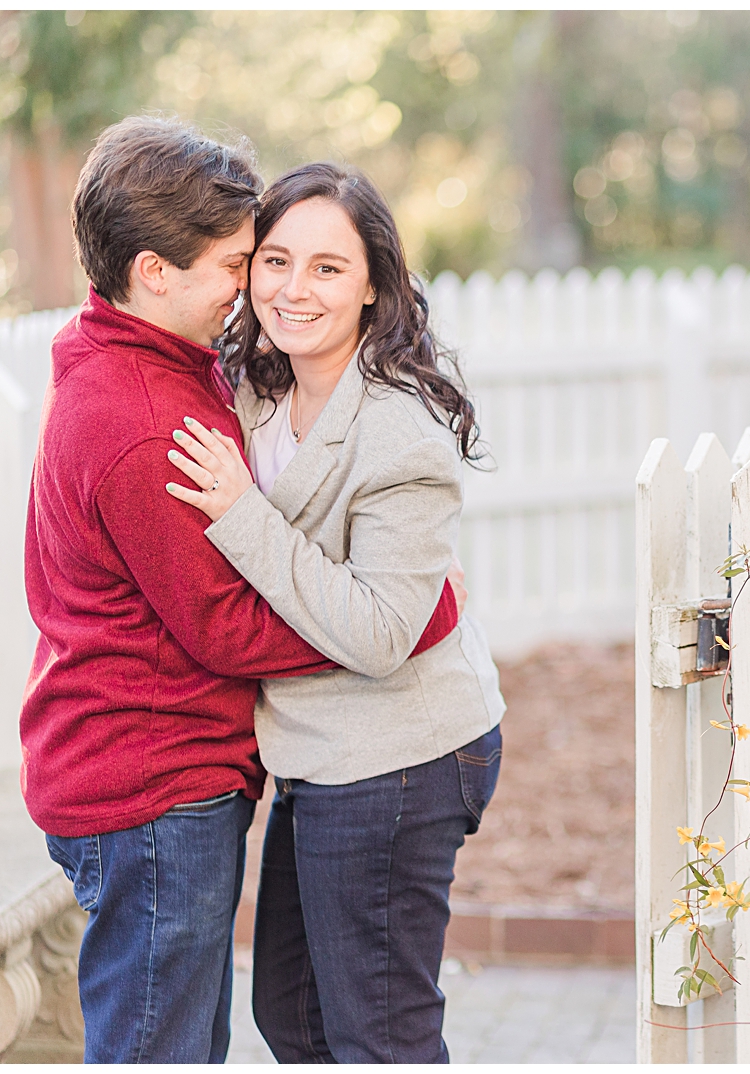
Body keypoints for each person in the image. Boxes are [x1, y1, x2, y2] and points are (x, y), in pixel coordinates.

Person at [19, 118, 462, 1063]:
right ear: (152, 272)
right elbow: (224, 624)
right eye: (240, 263)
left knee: (311, 1028)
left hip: (211, 771)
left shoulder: (163, 368)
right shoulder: (147, 419)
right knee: (169, 1051)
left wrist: (385, 610)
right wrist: (402, 622)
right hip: (153, 784)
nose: (251, 287)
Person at [162, 161, 505, 1064]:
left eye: (327, 267)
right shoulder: (255, 391)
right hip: (315, 750)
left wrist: (240, 513)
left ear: (372, 289)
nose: (293, 288)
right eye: (274, 262)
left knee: (376, 1034)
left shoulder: (399, 432)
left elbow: (381, 634)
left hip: (401, 754)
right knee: (294, 1013)